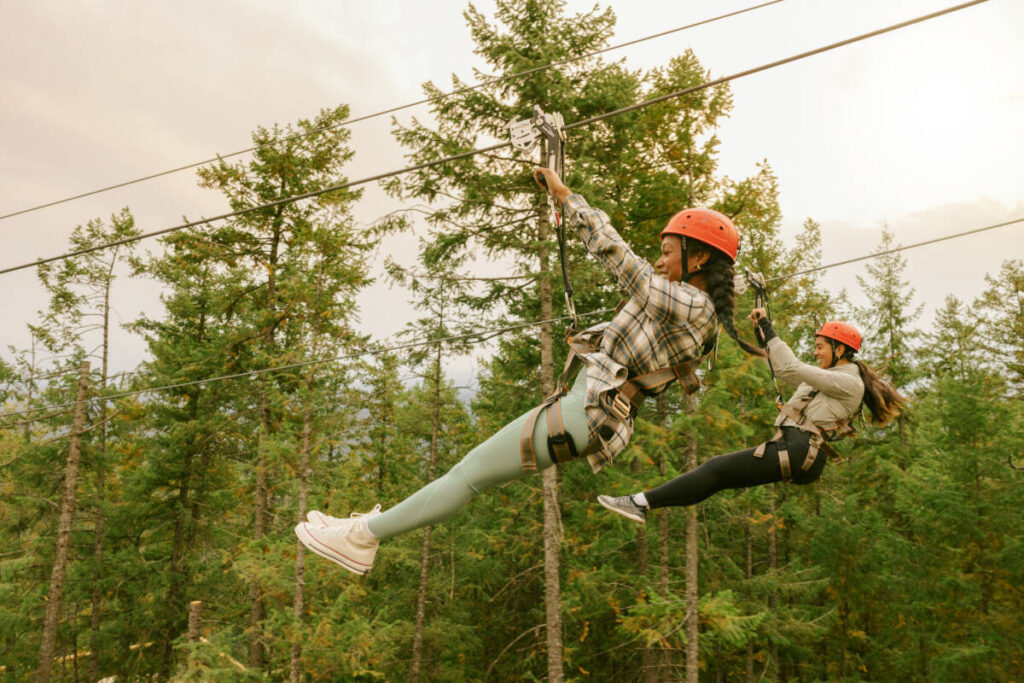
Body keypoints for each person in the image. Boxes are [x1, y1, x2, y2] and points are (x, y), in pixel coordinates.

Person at [294, 168, 765, 575]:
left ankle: (364, 537)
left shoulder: (694, 305)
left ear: (699, 258)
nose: (659, 260)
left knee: (469, 474)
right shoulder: (683, 301)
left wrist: (567, 198)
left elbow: (629, 270)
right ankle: (366, 529)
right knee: (468, 471)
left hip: (588, 411)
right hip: (585, 406)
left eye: (667, 251)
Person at [597, 313, 907, 523]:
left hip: (801, 450)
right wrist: (764, 335)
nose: (816, 353)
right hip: (798, 449)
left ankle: (639, 502)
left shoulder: (848, 382)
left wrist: (770, 333)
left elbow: (789, 368)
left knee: (716, 468)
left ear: (840, 349)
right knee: (717, 475)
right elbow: (788, 369)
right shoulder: (832, 376)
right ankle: (643, 504)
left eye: (820, 347)